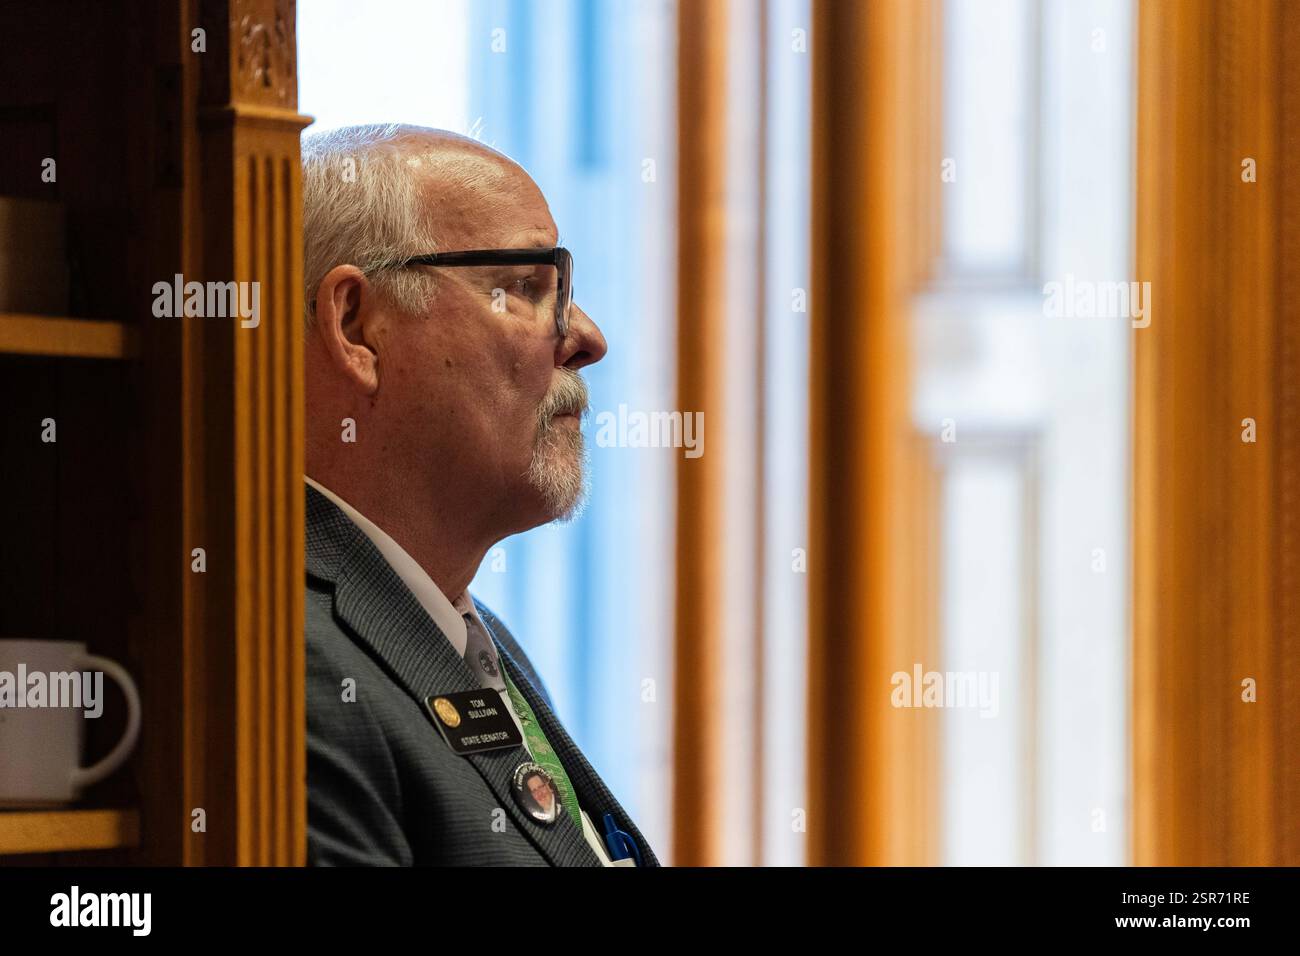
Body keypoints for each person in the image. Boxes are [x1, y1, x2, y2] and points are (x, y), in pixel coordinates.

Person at [301, 123, 657, 867]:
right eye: (527, 288)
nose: (587, 337)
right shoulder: (283, 660)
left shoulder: (461, 622)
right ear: (355, 325)